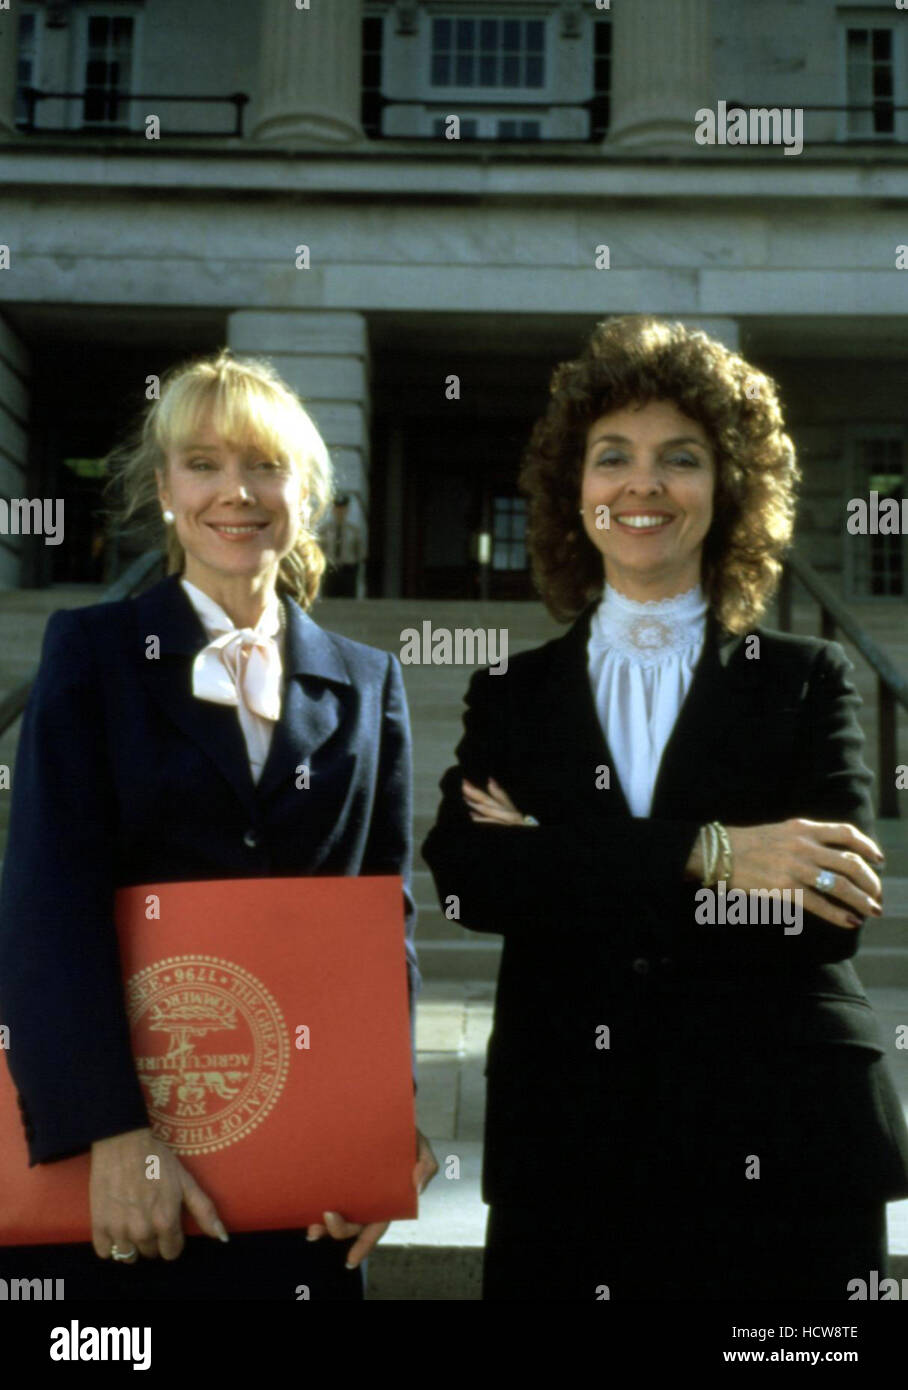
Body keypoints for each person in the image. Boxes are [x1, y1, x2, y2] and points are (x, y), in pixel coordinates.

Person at [421, 316, 908, 1302]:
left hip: (782, 1146)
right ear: (575, 489)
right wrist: (709, 851)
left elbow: (820, 912)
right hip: (567, 1147)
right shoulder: (509, 693)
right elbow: (470, 880)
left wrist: (562, 860)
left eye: (678, 458)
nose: (641, 484)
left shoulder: (807, 679)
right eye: (613, 457)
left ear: (728, 488)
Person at [0, 348, 436, 1300]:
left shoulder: (368, 684)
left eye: (265, 465)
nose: (235, 492)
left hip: (304, 1178)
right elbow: (47, 905)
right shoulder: (94, 652)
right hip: (129, 1172)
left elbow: (380, 928)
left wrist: (378, 1127)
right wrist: (108, 1133)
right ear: (164, 489)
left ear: (308, 493)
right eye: (203, 464)